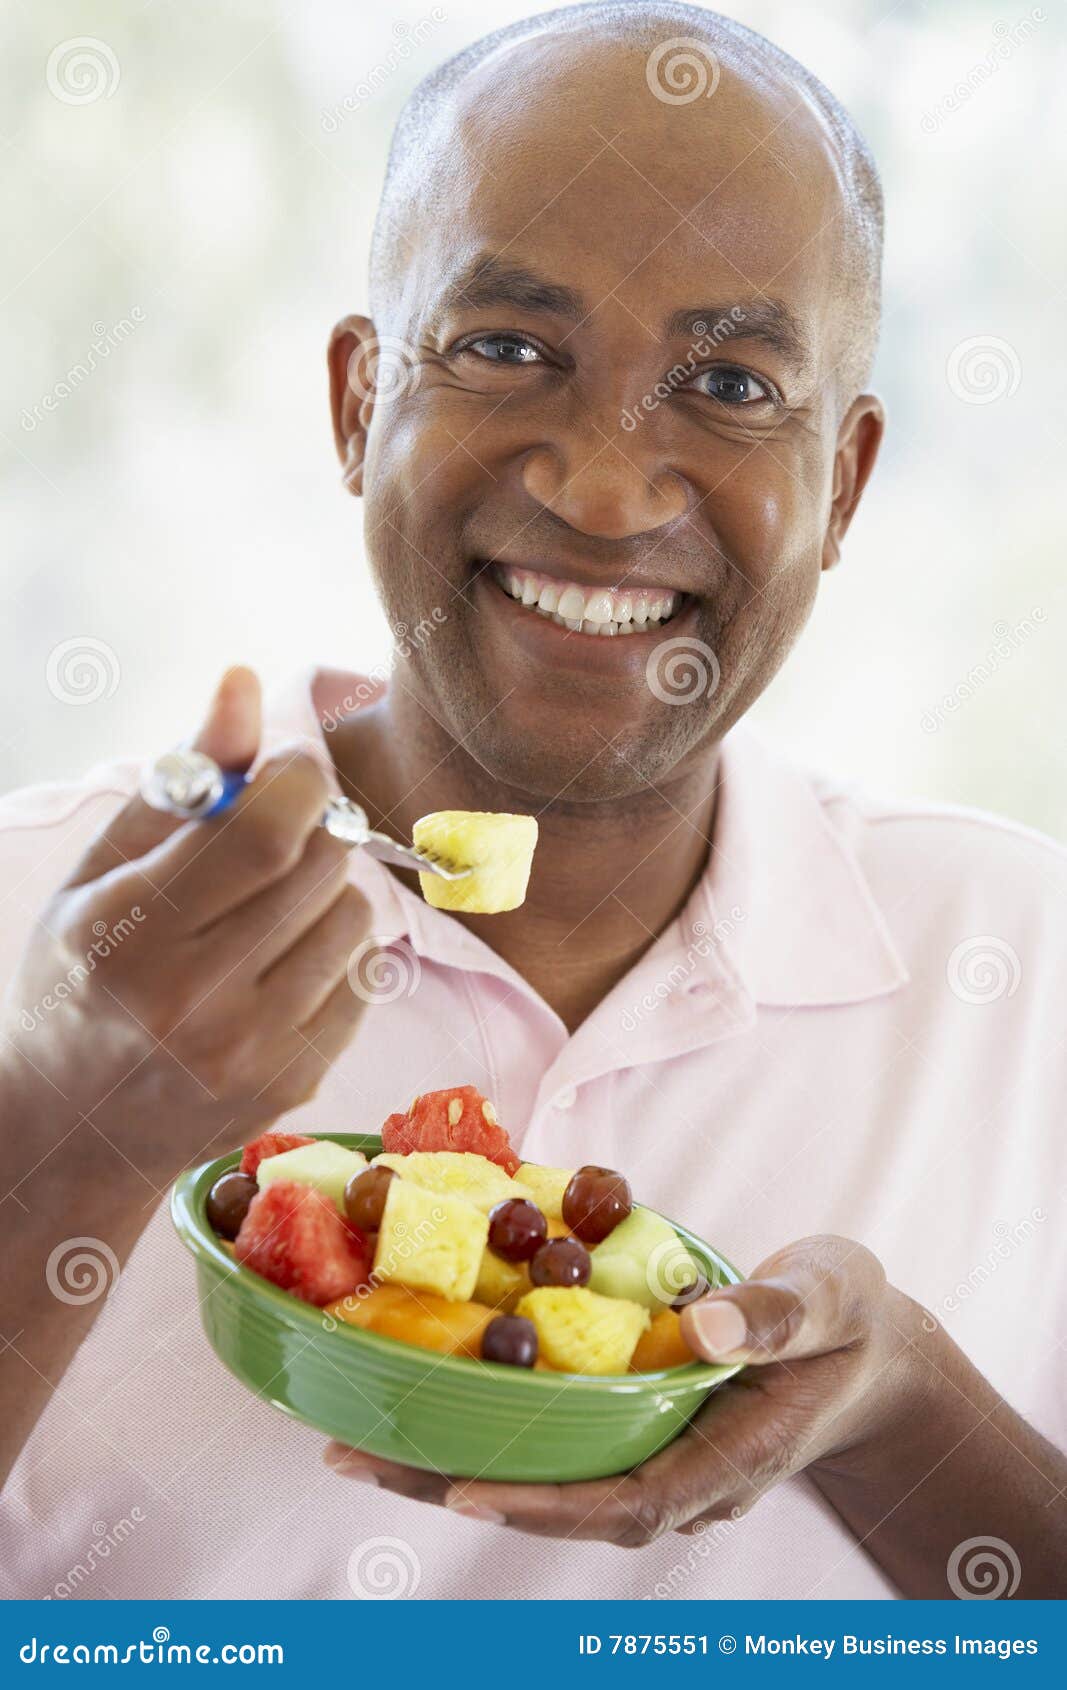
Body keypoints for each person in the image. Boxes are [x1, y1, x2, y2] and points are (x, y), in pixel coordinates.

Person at [2, 3, 1064, 1601]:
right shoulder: (39, 923)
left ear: (842, 484)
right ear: (358, 401)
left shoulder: (1026, 968)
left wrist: (901, 1408)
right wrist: (57, 1153)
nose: (603, 488)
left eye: (729, 381)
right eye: (506, 350)